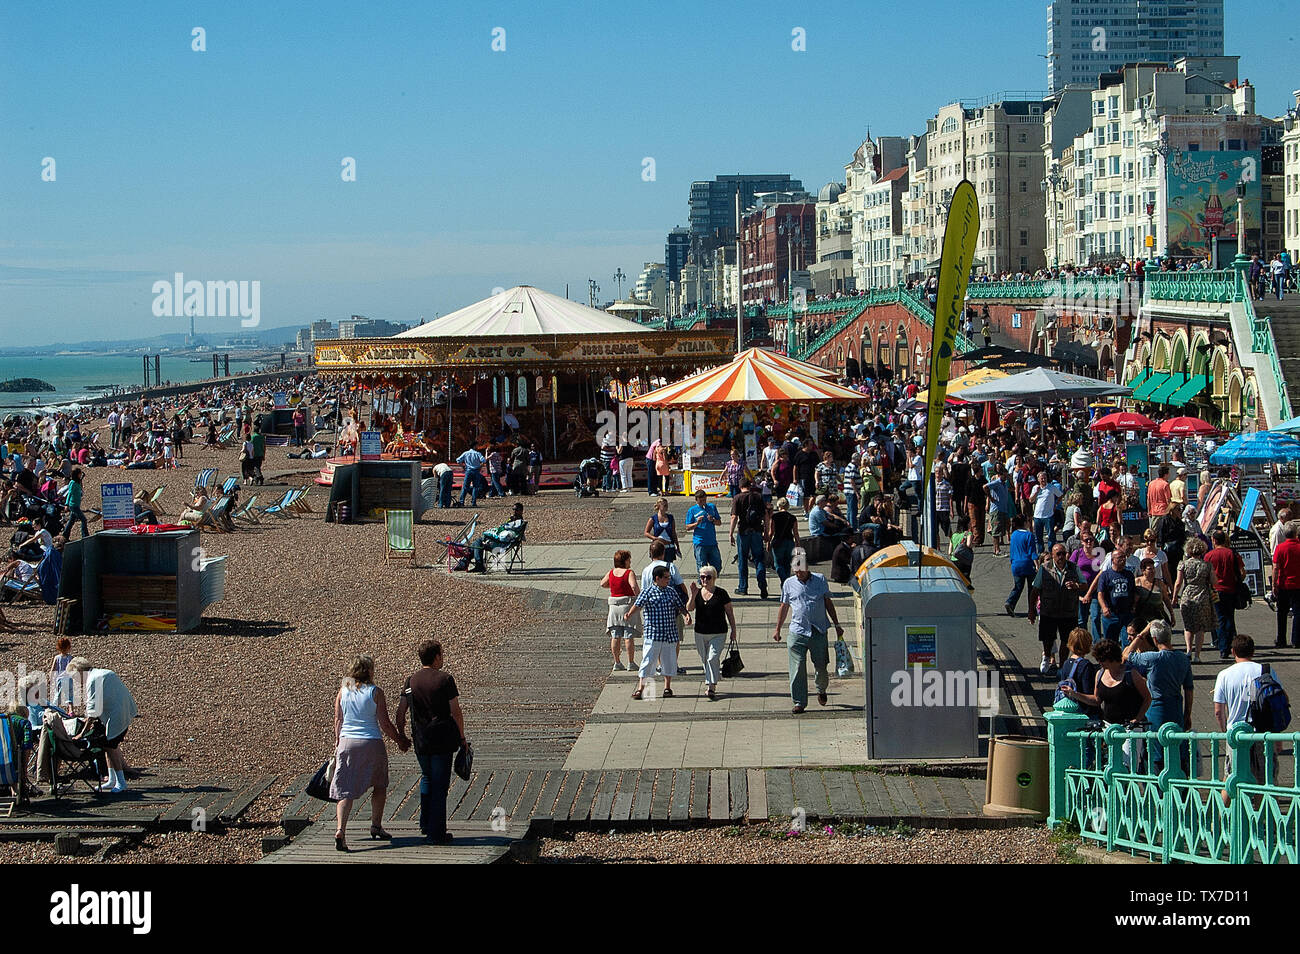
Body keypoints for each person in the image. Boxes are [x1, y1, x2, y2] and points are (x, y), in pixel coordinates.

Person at [330, 654, 406, 851]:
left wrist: (338, 742)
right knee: (379, 785)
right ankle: (376, 825)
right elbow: (384, 723)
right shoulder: (375, 692)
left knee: (345, 790)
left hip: (347, 741)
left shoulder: (343, 691)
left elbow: (338, 720)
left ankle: (341, 830)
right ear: (369, 671)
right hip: (371, 742)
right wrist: (400, 740)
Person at [393, 639, 466, 844]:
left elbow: (400, 712)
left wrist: (402, 735)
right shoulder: (445, 679)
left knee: (427, 777)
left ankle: (425, 823)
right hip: (442, 739)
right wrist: (462, 737)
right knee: (440, 785)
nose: (443, 657)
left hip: (421, 739)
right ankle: (437, 833)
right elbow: (456, 711)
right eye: (441, 654)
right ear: (436, 657)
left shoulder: (410, 681)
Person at [772, 548, 845, 715]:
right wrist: (777, 629)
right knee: (797, 667)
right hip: (797, 631)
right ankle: (799, 702)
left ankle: (821, 689)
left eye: (801, 572)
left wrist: (837, 624)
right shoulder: (789, 583)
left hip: (818, 630)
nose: (799, 575)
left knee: (821, 666)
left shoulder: (820, 580)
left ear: (807, 568)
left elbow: (828, 603)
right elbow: (784, 607)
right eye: (796, 572)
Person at [1060, 638, 1151, 771]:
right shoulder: (1100, 674)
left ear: (1111, 659)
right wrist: (1074, 694)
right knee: (1109, 765)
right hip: (1108, 726)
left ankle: (1127, 789)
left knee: (1127, 767)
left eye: (1101, 660)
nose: (1099, 663)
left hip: (1129, 728)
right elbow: (1097, 700)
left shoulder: (1131, 674)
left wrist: (1137, 718)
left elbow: (1148, 698)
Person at [1123, 619, 1194, 770]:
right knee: (1176, 749)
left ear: (1154, 639)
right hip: (1176, 708)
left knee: (1156, 753)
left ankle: (1158, 786)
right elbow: (1189, 689)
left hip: (1156, 709)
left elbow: (1126, 654)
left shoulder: (1152, 659)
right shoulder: (1183, 658)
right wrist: (1187, 714)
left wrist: (1142, 633)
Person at [65, 657, 137, 793]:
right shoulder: (103, 672)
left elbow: (92, 712)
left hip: (116, 715)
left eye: (75, 677)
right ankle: (111, 779)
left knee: (111, 747)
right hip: (122, 711)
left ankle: (121, 783)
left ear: (79, 672)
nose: (76, 681)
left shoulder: (92, 680)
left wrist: (81, 734)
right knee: (106, 745)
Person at [1213, 635, 1273, 784]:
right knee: (1264, 779)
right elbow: (1279, 698)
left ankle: (1222, 808)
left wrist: (1224, 731)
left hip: (1235, 733)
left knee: (1231, 778)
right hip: (1261, 732)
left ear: (1233, 652)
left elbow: (1218, 711)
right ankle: (1262, 807)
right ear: (1253, 652)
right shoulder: (1265, 670)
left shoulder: (1224, 675)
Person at [625, 564, 689, 700]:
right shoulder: (648, 592)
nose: (668, 580)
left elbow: (680, 605)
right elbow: (638, 605)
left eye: (669, 577)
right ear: (657, 578)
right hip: (653, 633)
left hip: (669, 633)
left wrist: (686, 614)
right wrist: (629, 614)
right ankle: (641, 689)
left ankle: (667, 687)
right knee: (648, 660)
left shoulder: (671, 591)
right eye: (665, 577)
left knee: (669, 661)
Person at [1027, 543, 1084, 674]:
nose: (1061, 556)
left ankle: (1062, 665)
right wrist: (1031, 610)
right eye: (1058, 554)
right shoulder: (1044, 568)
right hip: (1049, 611)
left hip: (1068, 611)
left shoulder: (1074, 568)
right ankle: (1047, 657)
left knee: (1066, 640)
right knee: (1048, 638)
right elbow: (1035, 590)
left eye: (1064, 553)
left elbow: (1084, 585)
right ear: (1052, 555)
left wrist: (1076, 586)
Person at [686, 565, 737, 700]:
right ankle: (711, 682)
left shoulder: (721, 593)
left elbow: (730, 613)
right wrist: (693, 595)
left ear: (714, 578)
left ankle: (711, 686)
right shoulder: (698, 593)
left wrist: (734, 630)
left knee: (712, 658)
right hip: (700, 633)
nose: (705, 580)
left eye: (708, 577)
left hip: (718, 633)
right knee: (705, 659)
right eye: (702, 577)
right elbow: (689, 608)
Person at [1173, 536, 1217, 661]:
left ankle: (1188, 650)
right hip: (1203, 595)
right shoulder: (1207, 565)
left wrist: (1175, 597)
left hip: (1187, 595)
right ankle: (1197, 655)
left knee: (1188, 625)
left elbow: (1178, 582)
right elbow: (1214, 582)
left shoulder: (1183, 564)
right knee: (1200, 627)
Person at [1205, 529, 1244, 659]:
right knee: (1229, 617)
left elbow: (1206, 575)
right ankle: (1230, 644)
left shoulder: (1209, 555)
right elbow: (1242, 572)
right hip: (1230, 589)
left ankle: (1222, 647)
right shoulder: (1232, 554)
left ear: (1214, 540)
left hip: (1215, 590)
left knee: (1219, 618)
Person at [729, 477, 769, 598]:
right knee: (759, 559)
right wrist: (767, 531)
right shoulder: (758, 496)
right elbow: (765, 515)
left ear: (740, 487)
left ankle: (743, 587)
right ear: (750, 485)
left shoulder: (737, 498)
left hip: (743, 532)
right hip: (757, 531)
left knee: (742, 559)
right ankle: (762, 586)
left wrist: (730, 533)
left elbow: (734, 517)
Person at [457, 502, 525, 572]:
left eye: (516, 510)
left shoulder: (518, 523)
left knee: (478, 542)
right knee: (477, 543)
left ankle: (471, 563)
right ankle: (467, 562)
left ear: (521, 511)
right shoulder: (513, 520)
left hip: (501, 544)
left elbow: (505, 535)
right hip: (501, 542)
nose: (514, 511)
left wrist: (492, 535)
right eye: (513, 509)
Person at [601, 549, 640, 670]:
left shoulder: (611, 572)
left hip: (614, 606)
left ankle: (617, 662)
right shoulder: (629, 572)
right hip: (626, 605)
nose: (630, 561)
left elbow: (603, 583)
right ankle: (631, 662)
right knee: (628, 635)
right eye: (629, 559)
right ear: (625, 561)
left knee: (615, 635)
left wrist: (612, 585)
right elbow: (633, 585)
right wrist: (638, 595)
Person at [1090, 548, 1137, 643]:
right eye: (1120, 558)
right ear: (1113, 560)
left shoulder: (1129, 574)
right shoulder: (1106, 575)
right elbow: (1100, 594)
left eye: (1124, 557)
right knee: (1110, 643)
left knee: (1127, 641)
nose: (1123, 560)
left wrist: (1134, 606)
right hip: (1111, 614)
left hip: (1126, 614)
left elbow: (1134, 592)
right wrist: (1104, 607)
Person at [1271, 519, 1300, 648]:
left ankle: (1281, 639)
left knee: (1281, 613)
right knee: (1298, 613)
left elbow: (1275, 567)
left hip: (1283, 584)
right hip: (1298, 584)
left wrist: (1274, 585)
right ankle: (1296, 639)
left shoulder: (1280, 548)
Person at [1004, 513, 1039, 617]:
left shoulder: (1014, 534)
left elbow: (1012, 551)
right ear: (1025, 523)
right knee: (1032, 588)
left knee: (1018, 587)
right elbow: (1032, 552)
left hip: (1016, 564)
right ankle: (1032, 609)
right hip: (1027, 564)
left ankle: (1010, 602)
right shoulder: (1029, 535)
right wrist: (1037, 565)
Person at [684, 489, 722, 576]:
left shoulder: (711, 507)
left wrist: (712, 520)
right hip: (700, 543)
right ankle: (703, 586)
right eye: (700, 501)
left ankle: (712, 584)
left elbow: (719, 522)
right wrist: (697, 523)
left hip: (712, 542)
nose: (703, 503)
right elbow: (687, 527)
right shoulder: (692, 510)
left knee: (717, 566)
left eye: (704, 500)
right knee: (702, 568)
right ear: (696, 500)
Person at [1028, 470, 1064, 551]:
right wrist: (1036, 492)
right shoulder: (1035, 488)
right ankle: (1041, 552)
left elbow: (1060, 495)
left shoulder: (1051, 487)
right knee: (1038, 536)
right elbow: (1031, 500)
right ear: (1038, 479)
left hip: (1048, 515)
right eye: (1041, 478)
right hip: (1037, 516)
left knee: (1051, 535)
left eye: (1044, 478)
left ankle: (1051, 551)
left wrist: (1055, 504)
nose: (1043, 480)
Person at [769, 497, 801, 584]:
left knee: (778, 564)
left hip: (778, 542)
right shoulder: (792, 517)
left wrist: (768, 542)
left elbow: (771, 532)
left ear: (779, 505)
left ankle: (785, 581)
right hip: (789, 542)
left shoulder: (774, 517)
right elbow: (796, 533)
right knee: (787, 564)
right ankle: (786, 583)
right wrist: (798, 544)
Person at [985, 465, 1012, 555]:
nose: (1006, 477)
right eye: (1005, 475)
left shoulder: (1004, 484)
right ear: (1000, 475)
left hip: (1003, 509)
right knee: (996, 531)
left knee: (1001, 529)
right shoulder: (997, 482)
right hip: (996, 510)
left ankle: (998, 548)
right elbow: (985, 487)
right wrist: (990, 497)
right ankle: (996, 550)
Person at [644, 496, 679, 563]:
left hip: (669, 546)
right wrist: (655, 538)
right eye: (665, 505)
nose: (666, 507)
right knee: (658, 566)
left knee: (668, 566)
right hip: (658, 546)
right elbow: (646, 532)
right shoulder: (653, 518)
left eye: (667, 505)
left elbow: (673, 532)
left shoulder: (670, 517)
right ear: (659, 506)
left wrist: (677, 545)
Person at [61, 468, 87, 540]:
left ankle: (65, 535)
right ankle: (85, 535)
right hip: (73, 505)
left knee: (71, 521)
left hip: (76, 504)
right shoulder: (72, 482)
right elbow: (69, 493)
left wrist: (81, 480)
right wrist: (66, 504)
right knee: (83, 520)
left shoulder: (77, 482)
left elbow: (80, 489)